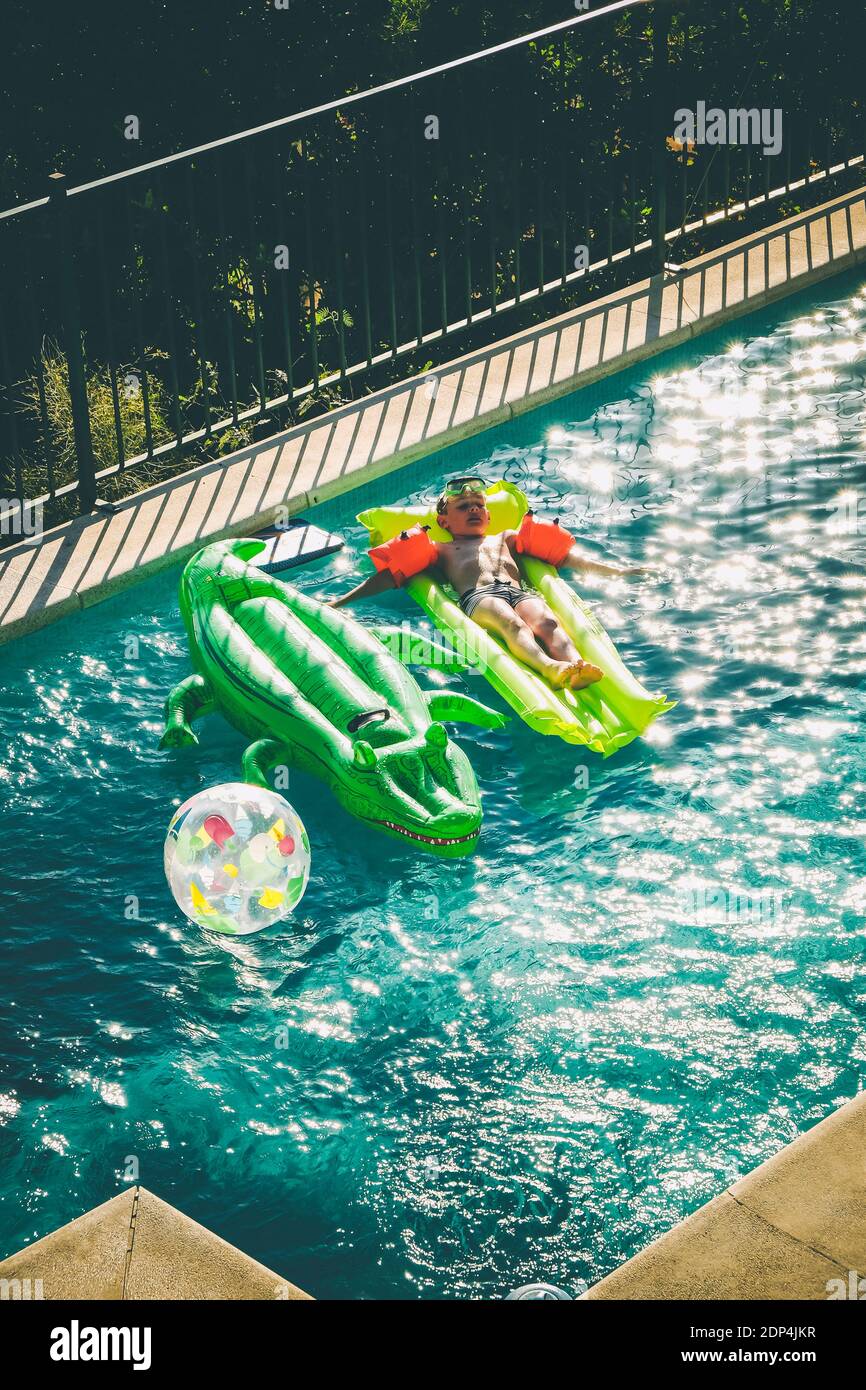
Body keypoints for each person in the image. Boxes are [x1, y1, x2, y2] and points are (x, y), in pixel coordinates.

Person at [329, 477, 644, 691]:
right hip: (478, 596)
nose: (474, 510)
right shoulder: (439, 550)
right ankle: (550, 667)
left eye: (479, 505)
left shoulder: (505, 538)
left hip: (518, 591)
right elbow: (388, 577)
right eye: (463, 508)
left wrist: (617, 572)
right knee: (513, 625)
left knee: (547, 622)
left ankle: (577, 664)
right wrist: (339, 603)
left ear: (490, 516)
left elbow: (562, 557)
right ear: (443, 522)